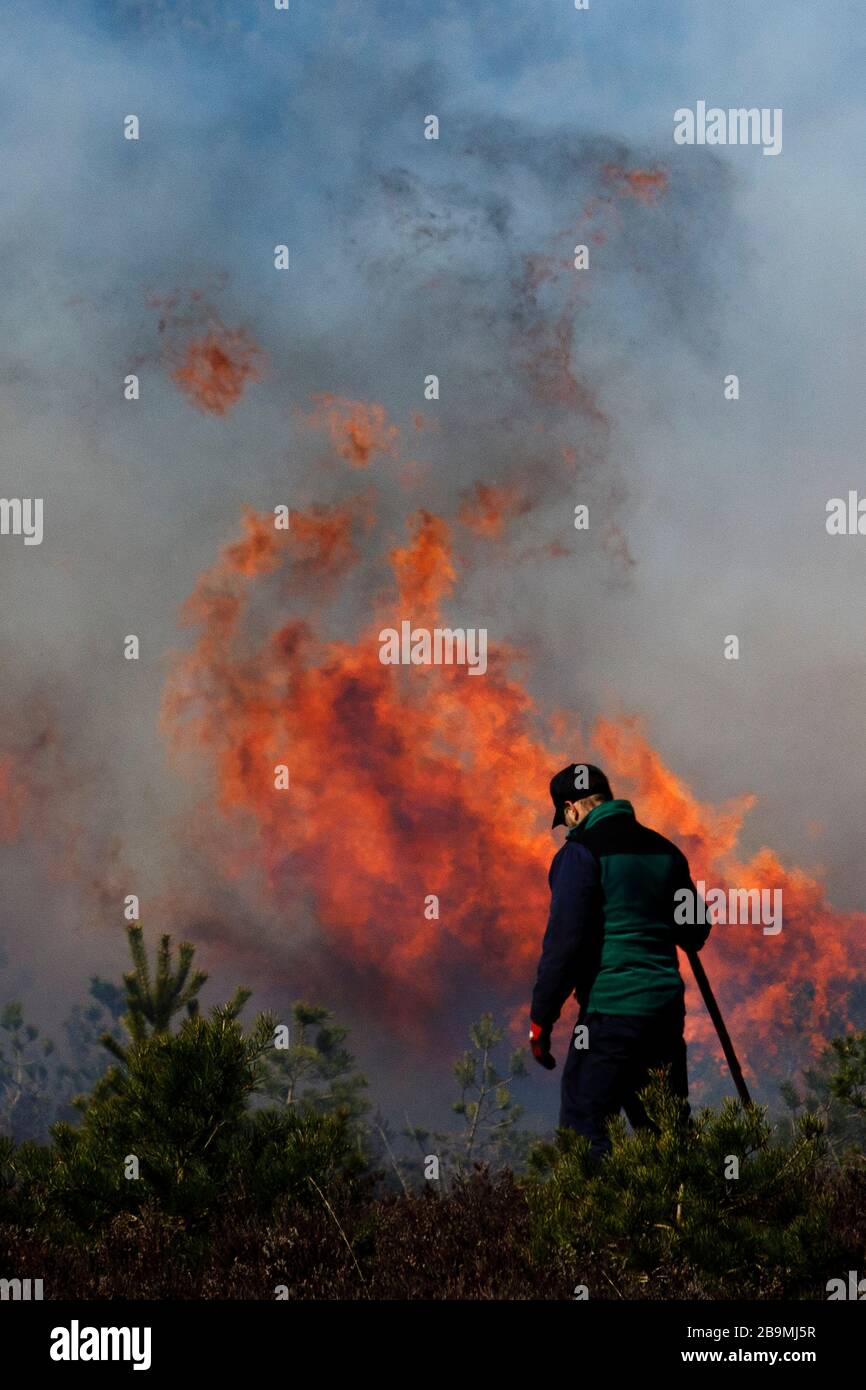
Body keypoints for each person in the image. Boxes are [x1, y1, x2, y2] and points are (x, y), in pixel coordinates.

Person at [529, 762, 711, 1160]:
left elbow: (564, 946)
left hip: (610, 1013)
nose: (568, 827)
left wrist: (541, 1020)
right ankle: (683, 1216)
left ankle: (592, 1218)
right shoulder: (666, 851)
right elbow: (696, 931)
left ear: (571, 808)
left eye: (566, 819)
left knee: (584, 1129)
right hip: (663, 1015)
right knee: (666, 1132)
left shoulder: (580, 853)